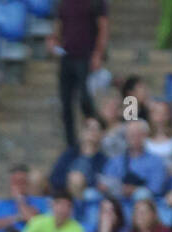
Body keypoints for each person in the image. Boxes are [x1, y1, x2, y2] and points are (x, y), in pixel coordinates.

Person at [50, 0, 107, 150]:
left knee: (85, 99)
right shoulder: (63, 3)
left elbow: (103, 27)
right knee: (65, 102)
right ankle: (71, 144)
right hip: (67, 56)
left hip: (85, 56)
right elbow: (59, 25)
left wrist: (98, 53)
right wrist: (54, 42)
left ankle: (94, 134)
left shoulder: (96, 3)